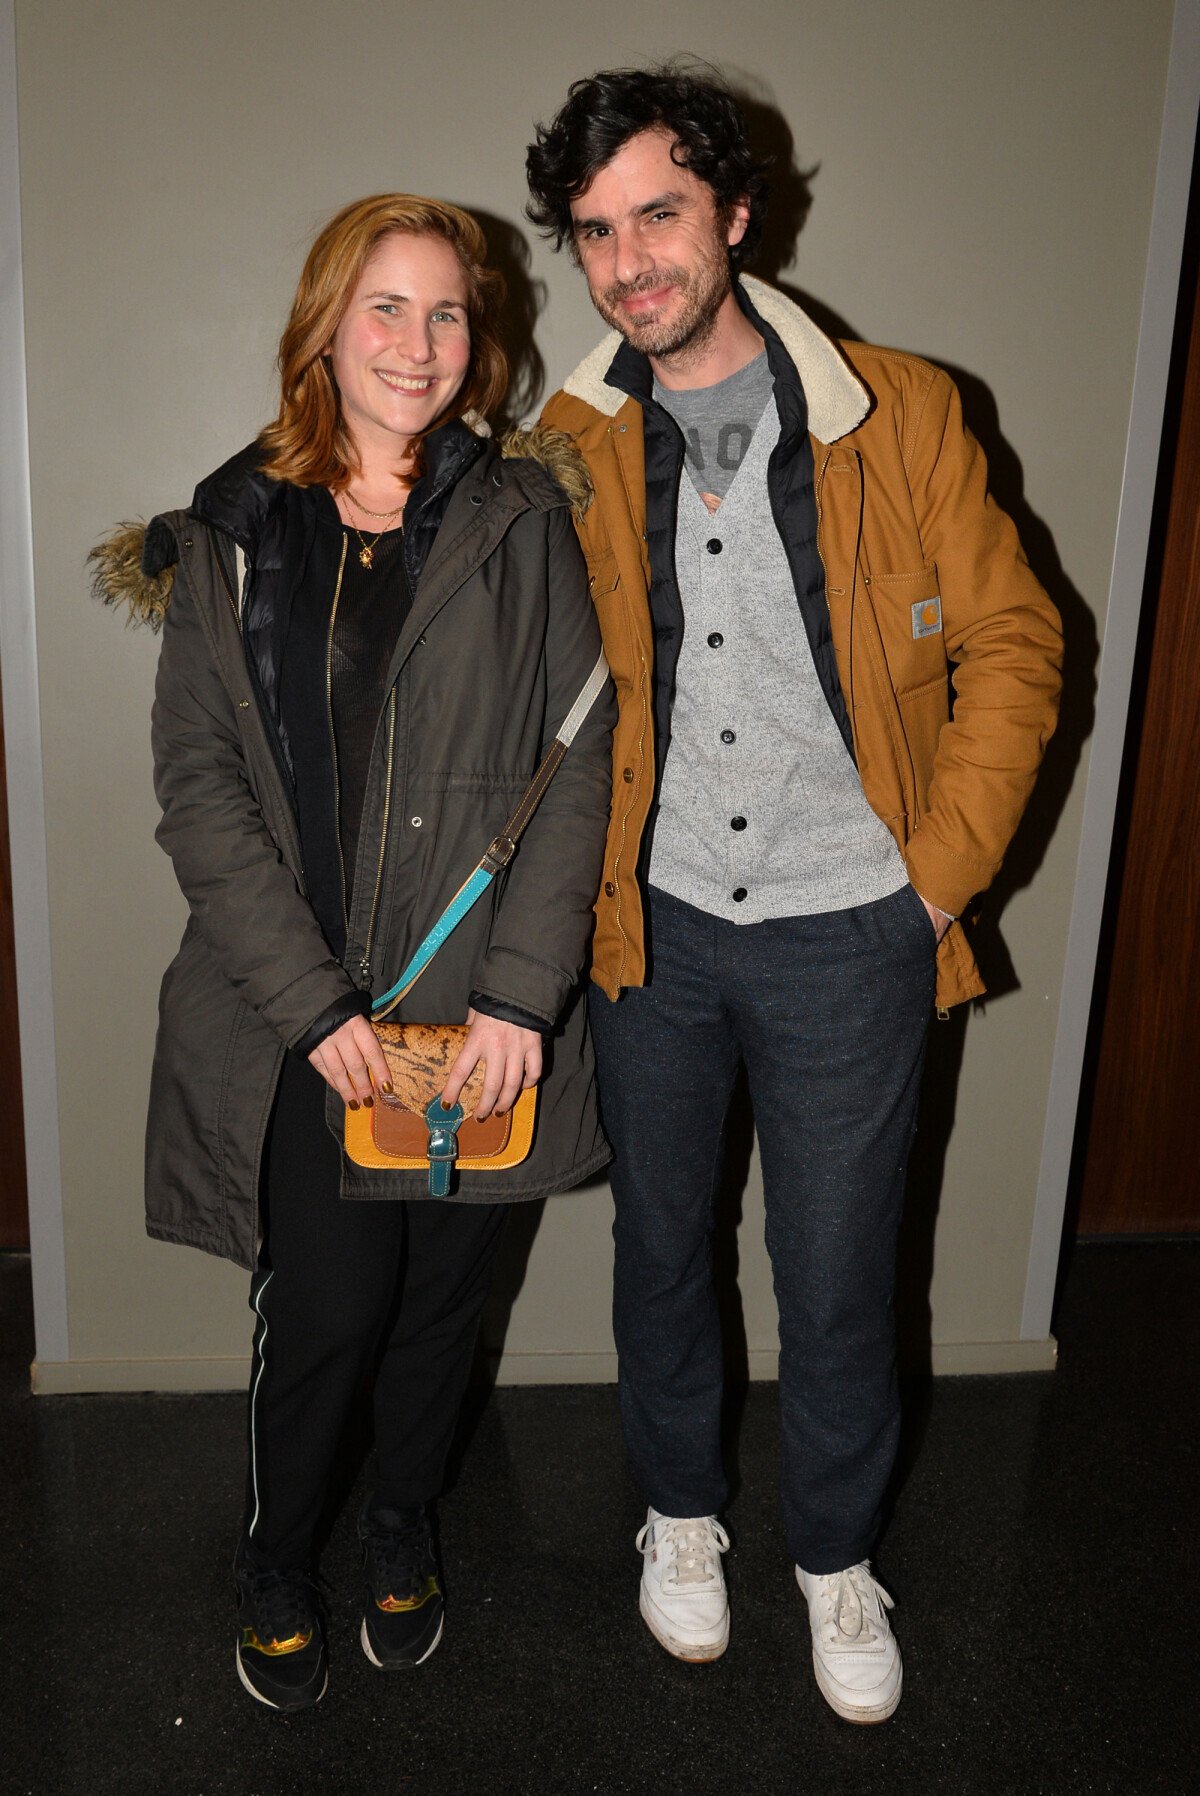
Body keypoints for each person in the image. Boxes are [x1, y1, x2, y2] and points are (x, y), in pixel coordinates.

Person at [526, 67, 1062, 1722]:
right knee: (662, 1253)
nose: (629, 262)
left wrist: (933, 885)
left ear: (738, 215)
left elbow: (1014, 643)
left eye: (660, 215)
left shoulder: (902, 410)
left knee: (837, 1275)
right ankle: (681, 1517)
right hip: (656, 924)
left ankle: (835, 1556)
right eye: (595, 231)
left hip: (855, 932)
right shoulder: (568, 442)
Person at [91, 193, 613, 1711]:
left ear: (478, 340)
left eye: (446, 312)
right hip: (302, 1022)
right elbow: (199, 789)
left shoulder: (522, 523)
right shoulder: (233, 534)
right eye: (386, 306)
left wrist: (523, 994)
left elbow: (576, 761)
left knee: (444, 1312)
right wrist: (313, 1006)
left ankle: (400, 1527)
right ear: (325, 326)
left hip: (476, 1017)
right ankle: (276, 1559)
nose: (417, 342)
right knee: (326, 1317)